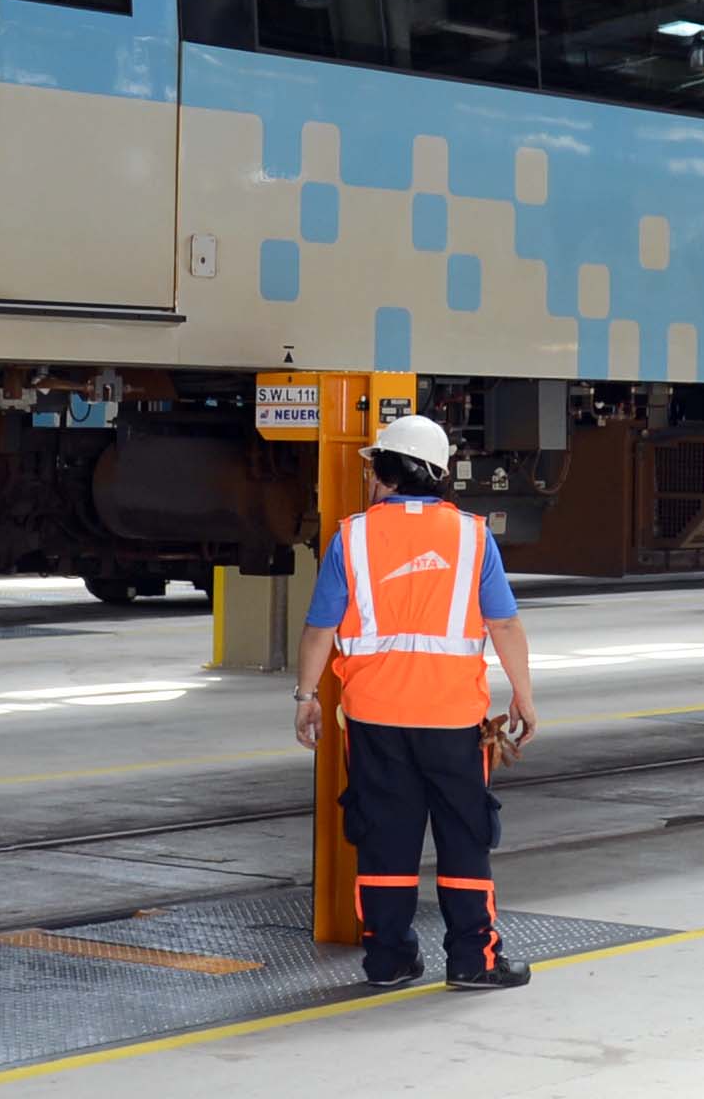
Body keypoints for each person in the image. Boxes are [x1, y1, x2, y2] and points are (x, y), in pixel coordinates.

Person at [294, 413, 540, 990]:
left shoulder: (350, 537)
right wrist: (523, 697)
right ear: (439, 473)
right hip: (454, 721)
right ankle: (472, 961)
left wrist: (306, 697)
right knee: (465, 836)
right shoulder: (472, 536)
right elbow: (504, 625)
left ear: (382, 472)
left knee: (385, 837)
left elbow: (318, 629)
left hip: (374, 719)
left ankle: (389, 960)